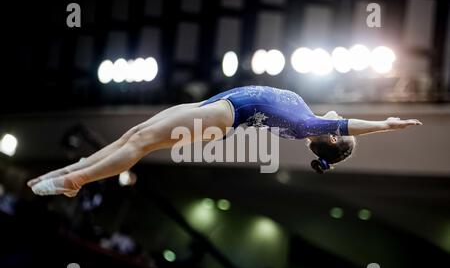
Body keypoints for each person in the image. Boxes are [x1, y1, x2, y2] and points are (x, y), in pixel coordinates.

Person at [28, 85, 422, 197]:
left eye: (341, 130)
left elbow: (347, 125)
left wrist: (385, 124)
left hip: (223, 116)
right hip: (215, 105)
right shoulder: (305, 120)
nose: (339, 121)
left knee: (142, 142)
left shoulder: (307, 125)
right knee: (134, 134)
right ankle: (71, 170)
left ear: (330, 138)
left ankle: (74, 182)